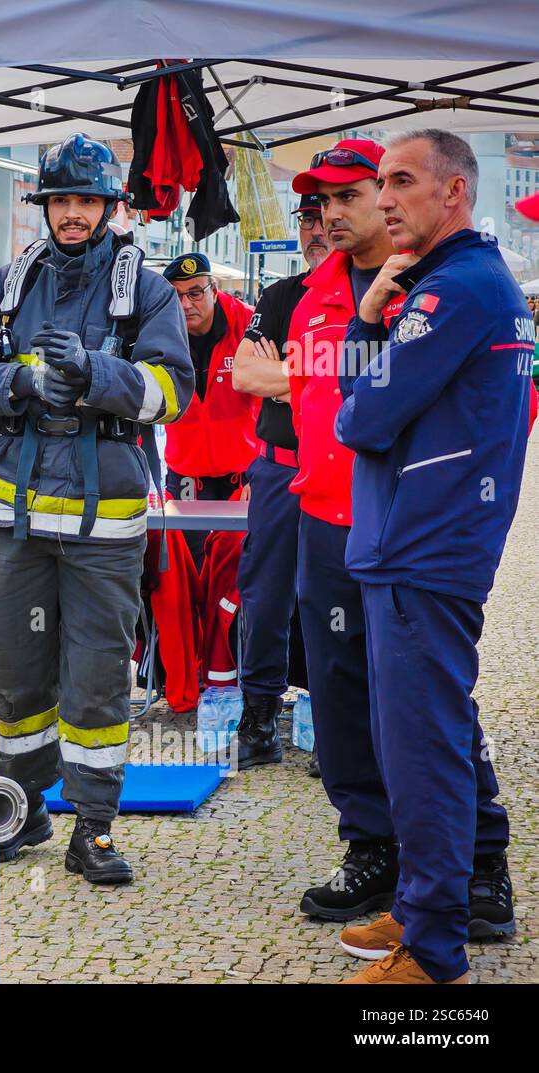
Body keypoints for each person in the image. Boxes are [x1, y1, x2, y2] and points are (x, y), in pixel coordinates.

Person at [0, 133, 194, 884]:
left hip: (103, 528)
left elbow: (171, 391)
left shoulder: (143, 289)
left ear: (110, 207)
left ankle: (96, 828)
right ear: (45, 207)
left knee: (96, 679)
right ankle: (24, 804)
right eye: (61, 201)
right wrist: (17, 381)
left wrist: (95, 374)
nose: (73, 214)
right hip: (11, 523)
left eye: (86, 201)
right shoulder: (6, 285)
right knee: (13, 679)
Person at [334, 130, 524, 985]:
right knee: (426, 732)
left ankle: (437, 950)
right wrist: (374, 319)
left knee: (422, 746)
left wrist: (368, 320)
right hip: (418, 540)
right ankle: (424, 903)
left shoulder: (456, 292)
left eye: (401, 182)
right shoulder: (464, 284)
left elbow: (358, 419)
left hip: (422, 543)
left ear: (454, 191)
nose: (384, 200)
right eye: (381, 184)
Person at [285, 139, 406, 927]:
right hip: (323, 524)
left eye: (348, 196)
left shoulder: (429, 284)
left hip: (404, 528)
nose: (331, 214)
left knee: (423, 696)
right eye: (321, 201)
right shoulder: (313, 295)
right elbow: (305, 404)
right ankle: (371, 847)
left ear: (387, 195)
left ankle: (474, 858)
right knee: (337, 697)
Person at [227, 194, 329, 770]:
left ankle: (333, 719)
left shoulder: (376, 293)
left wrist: (289, 378)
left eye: (327, 214)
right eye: (308, 218)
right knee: (264, 592)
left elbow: (363, 384)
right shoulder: (280, 295)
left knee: (335, 594)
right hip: (279, 464)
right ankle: (260, 715)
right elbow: (245, 373)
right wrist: (319, 380)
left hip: (343, 463)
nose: (315, 228)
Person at [161, 252, 258, 565]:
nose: (186, 304)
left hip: (242, 474)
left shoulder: (247, 323)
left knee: (240, 569)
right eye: (176, 295)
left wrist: (261, 475)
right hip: (187, 474)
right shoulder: (160, 333)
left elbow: (274, 400)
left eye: (195, 292)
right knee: (191, 567)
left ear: (214, 290)